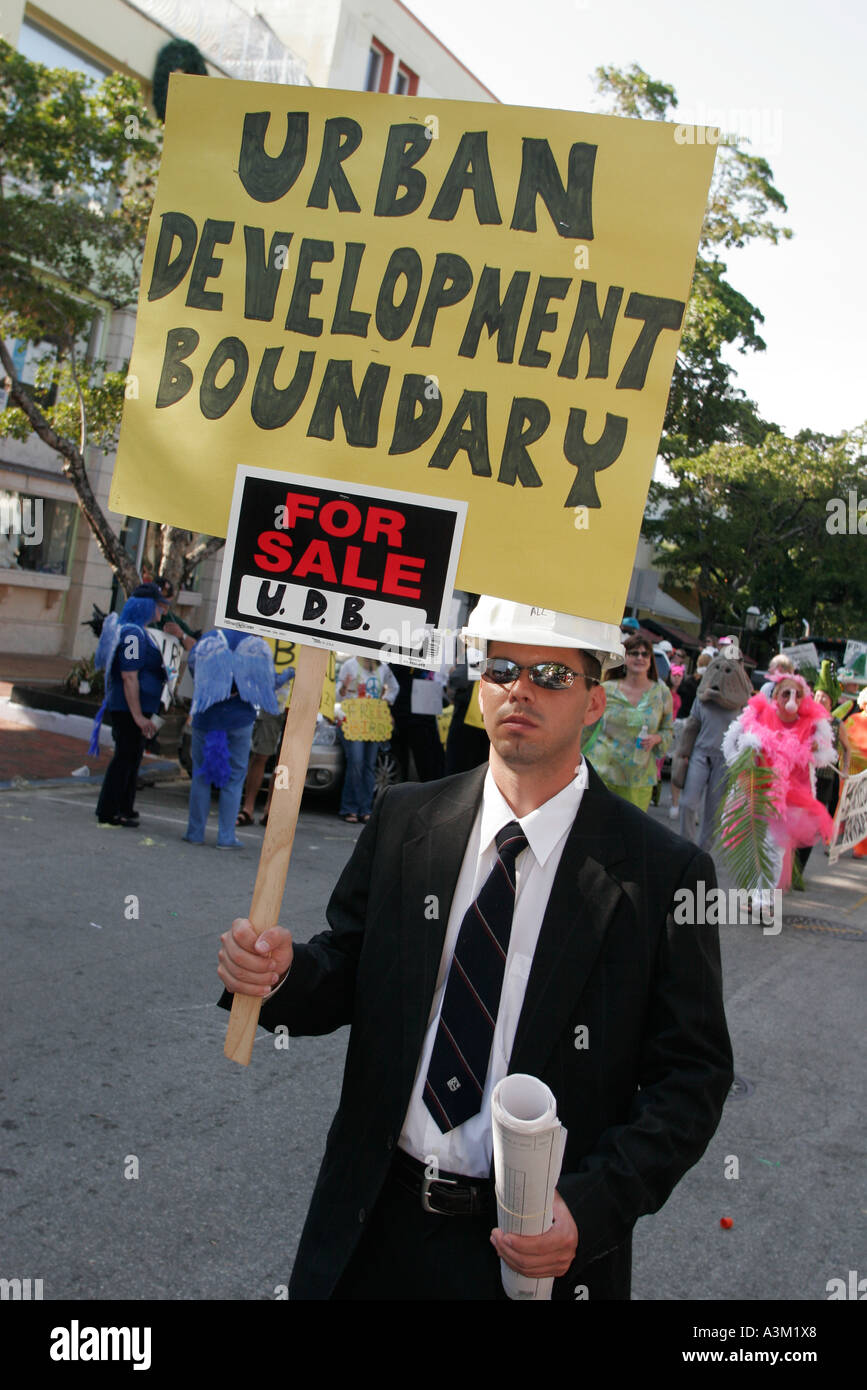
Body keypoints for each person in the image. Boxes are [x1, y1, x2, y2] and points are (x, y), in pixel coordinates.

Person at [217, 597, 733, 1301]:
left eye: (550, 673)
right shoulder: (407, 819)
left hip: (526, 1256)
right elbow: (346, 964)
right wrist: (279, 974)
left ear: (592, 701)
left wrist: (590, 1206)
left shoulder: (659, 872)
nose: (519, 688)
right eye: (500, 667)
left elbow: (692, 1075)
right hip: (372, 1227)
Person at [720, 673, 836, 892]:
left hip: (790, 797)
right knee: (755, 843)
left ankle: (765, 899)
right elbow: (731, 742)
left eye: (797, 694)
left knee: (775, 847)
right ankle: (755, 891)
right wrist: (745, 754)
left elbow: (825, 754)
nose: (791, 699)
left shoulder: (809, 724)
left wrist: (813, 749)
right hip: (757, 789)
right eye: (786, 693)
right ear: (776, 695)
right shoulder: (760, 714)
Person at [184, 628, 291, 848]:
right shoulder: (255, 645)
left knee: (201, 775)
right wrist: (288, 674)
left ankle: (195, 833)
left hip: (206, 717)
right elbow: (268, 683)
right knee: (234, 778)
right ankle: (226, 836)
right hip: (239, 719)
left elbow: (194, 665)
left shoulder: (210, 638)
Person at [92, 583, 170, 827]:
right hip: (128, 708)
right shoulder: (134, 634)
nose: (163, 610)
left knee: (132, 756)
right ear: (146, 606)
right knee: (125, 757)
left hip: (133, 706)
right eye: (159, 605)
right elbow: (129, 675)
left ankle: (124, 807)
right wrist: (138, 715)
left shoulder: (138, 631)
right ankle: (110, 809)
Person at [672, 643, 753, 851]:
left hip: (725, 759)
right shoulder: (703, 697)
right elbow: (692, 726)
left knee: (713, 812)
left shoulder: (744, 703)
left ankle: (702, 852)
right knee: (688, 803)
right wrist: (682, 756)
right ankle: (686, 847)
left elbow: (748, 733)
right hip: (701, 753)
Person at [588, 633, 674, 812]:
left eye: (645, 654)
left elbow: (668, 730)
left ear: (650, 660)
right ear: (624, 658)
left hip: (638, 779)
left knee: (630, 837)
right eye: (634, 653)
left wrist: (656, 738)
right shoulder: (606, 689)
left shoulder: (662, 693)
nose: (640, 658)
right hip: (601, 773)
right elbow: (585, 727)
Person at [335, 655, 399, 823]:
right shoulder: (349, 665)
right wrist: (343, 689)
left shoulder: (383, 668)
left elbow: (394, 688)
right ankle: (350, 807)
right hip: (353, 722)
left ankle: (365, 809)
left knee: (369, 766)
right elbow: (338, 694)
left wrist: (384, 702)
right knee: (356, 762)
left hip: (373, 723)